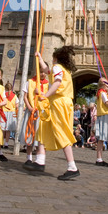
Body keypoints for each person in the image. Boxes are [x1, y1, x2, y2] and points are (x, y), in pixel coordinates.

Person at [28, 46, 80, 181]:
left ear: (55, 58)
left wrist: (45, 95)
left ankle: (72, 166)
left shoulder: (58, 68)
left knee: (61, 132)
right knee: (44, 128)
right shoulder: (64, 70)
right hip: (64, 102)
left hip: (59, 102)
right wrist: (39, 58)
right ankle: (40, 160)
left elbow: (56, 83)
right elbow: (47, 70)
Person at [19, 66, 48, 168]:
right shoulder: (30, 82)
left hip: (42, 113)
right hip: (31, 111)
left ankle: (39, 159)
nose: (42, 74)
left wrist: (41, 94)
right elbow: (25, 96)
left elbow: (49, 98)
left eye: (44, 72)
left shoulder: (48, 84)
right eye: (40, 72)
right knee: (30, 133)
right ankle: (29, 157)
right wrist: (30, 108)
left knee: (40, 136)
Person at [2, 81, 19, 149]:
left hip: (4, 112)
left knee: (3, 129)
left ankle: (1, 142)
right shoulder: (15, 96)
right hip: (11, 113)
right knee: (8, 129)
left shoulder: (3, 95)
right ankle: (6, 143)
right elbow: (17, 105)